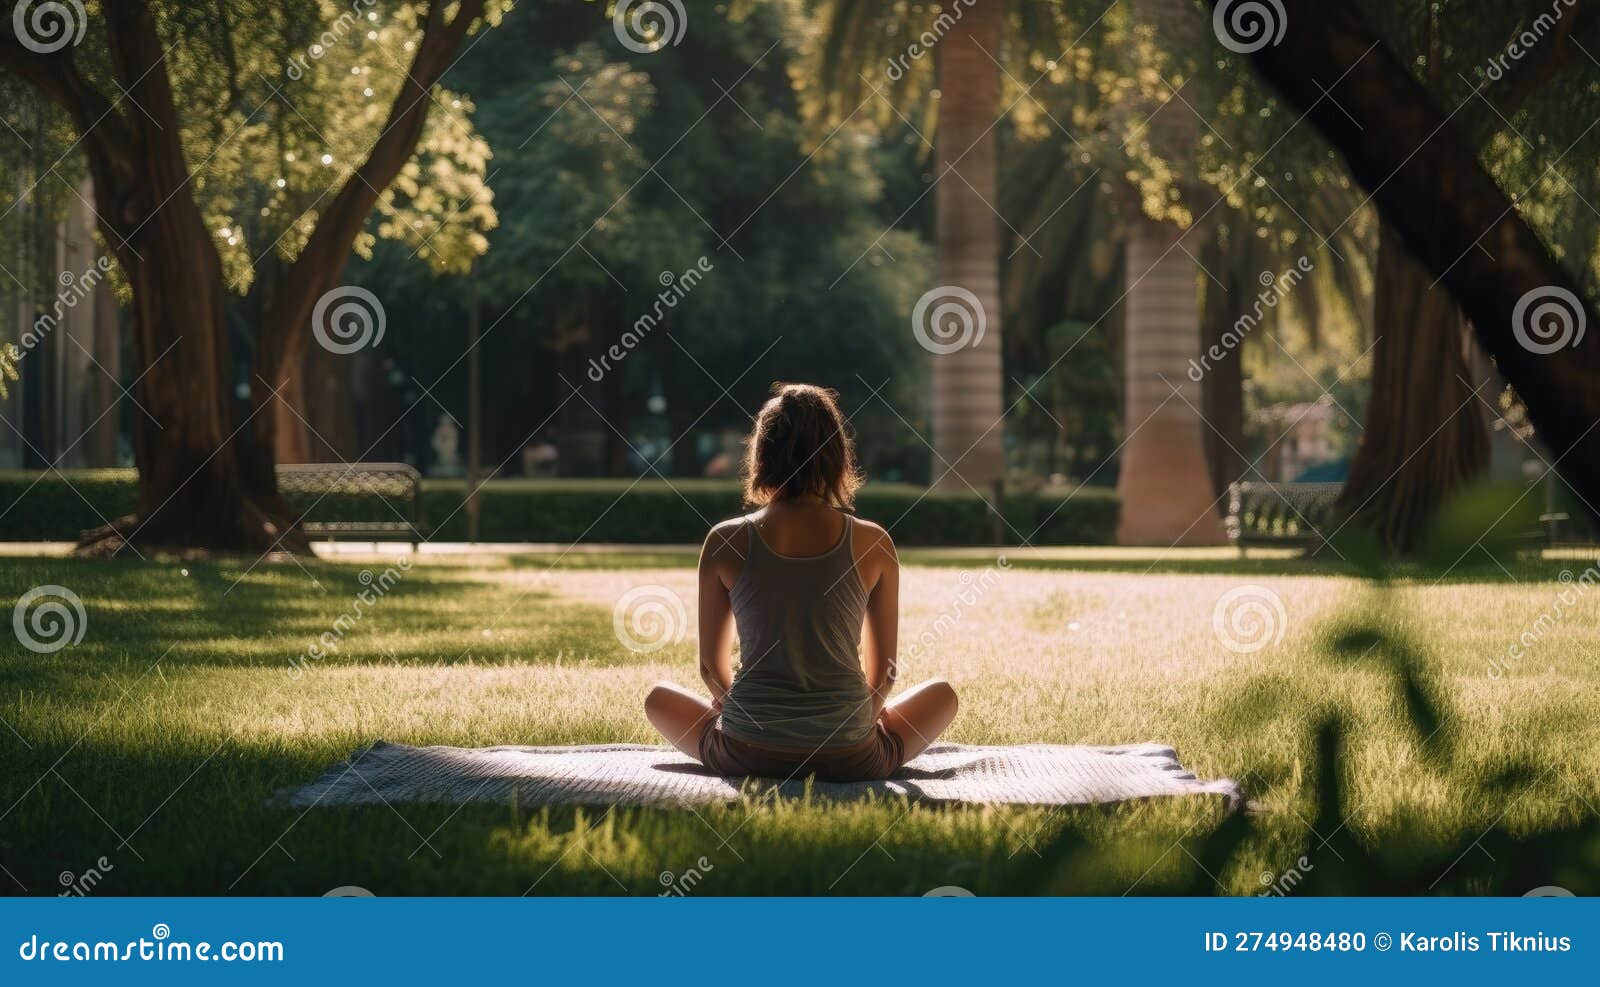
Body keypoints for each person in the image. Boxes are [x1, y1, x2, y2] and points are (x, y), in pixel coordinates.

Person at [643, 383, 959, 781]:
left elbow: (710, 668)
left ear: (762, 455)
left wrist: (740, 714)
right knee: (942, 696)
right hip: (849, 757)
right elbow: (885, 675)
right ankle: (865, 746)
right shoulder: (873, 542)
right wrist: (854, 724)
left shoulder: (724, 540)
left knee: (658, 700)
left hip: (746, 752)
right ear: (836, 456)